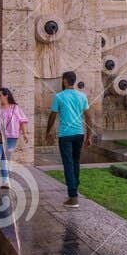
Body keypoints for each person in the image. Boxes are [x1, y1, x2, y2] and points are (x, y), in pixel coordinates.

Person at [44, 70, 92, 209]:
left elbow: (52, 116)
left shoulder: (59, 97)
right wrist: (89, 135)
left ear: (65, 81)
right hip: (79, 134)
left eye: (62, 79)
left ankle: (73, 197)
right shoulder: (82, 96)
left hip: (65, 135)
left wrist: (48, 132)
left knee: (68, 164)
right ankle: (74, 191)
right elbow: (88, 117)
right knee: (75, 162)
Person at [0, 86, 29, 191]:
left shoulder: (16, 108)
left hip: (11, 138)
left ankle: (6, 181)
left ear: (6, 95)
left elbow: (23, 121)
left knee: (5, 160)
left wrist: (25, 133)